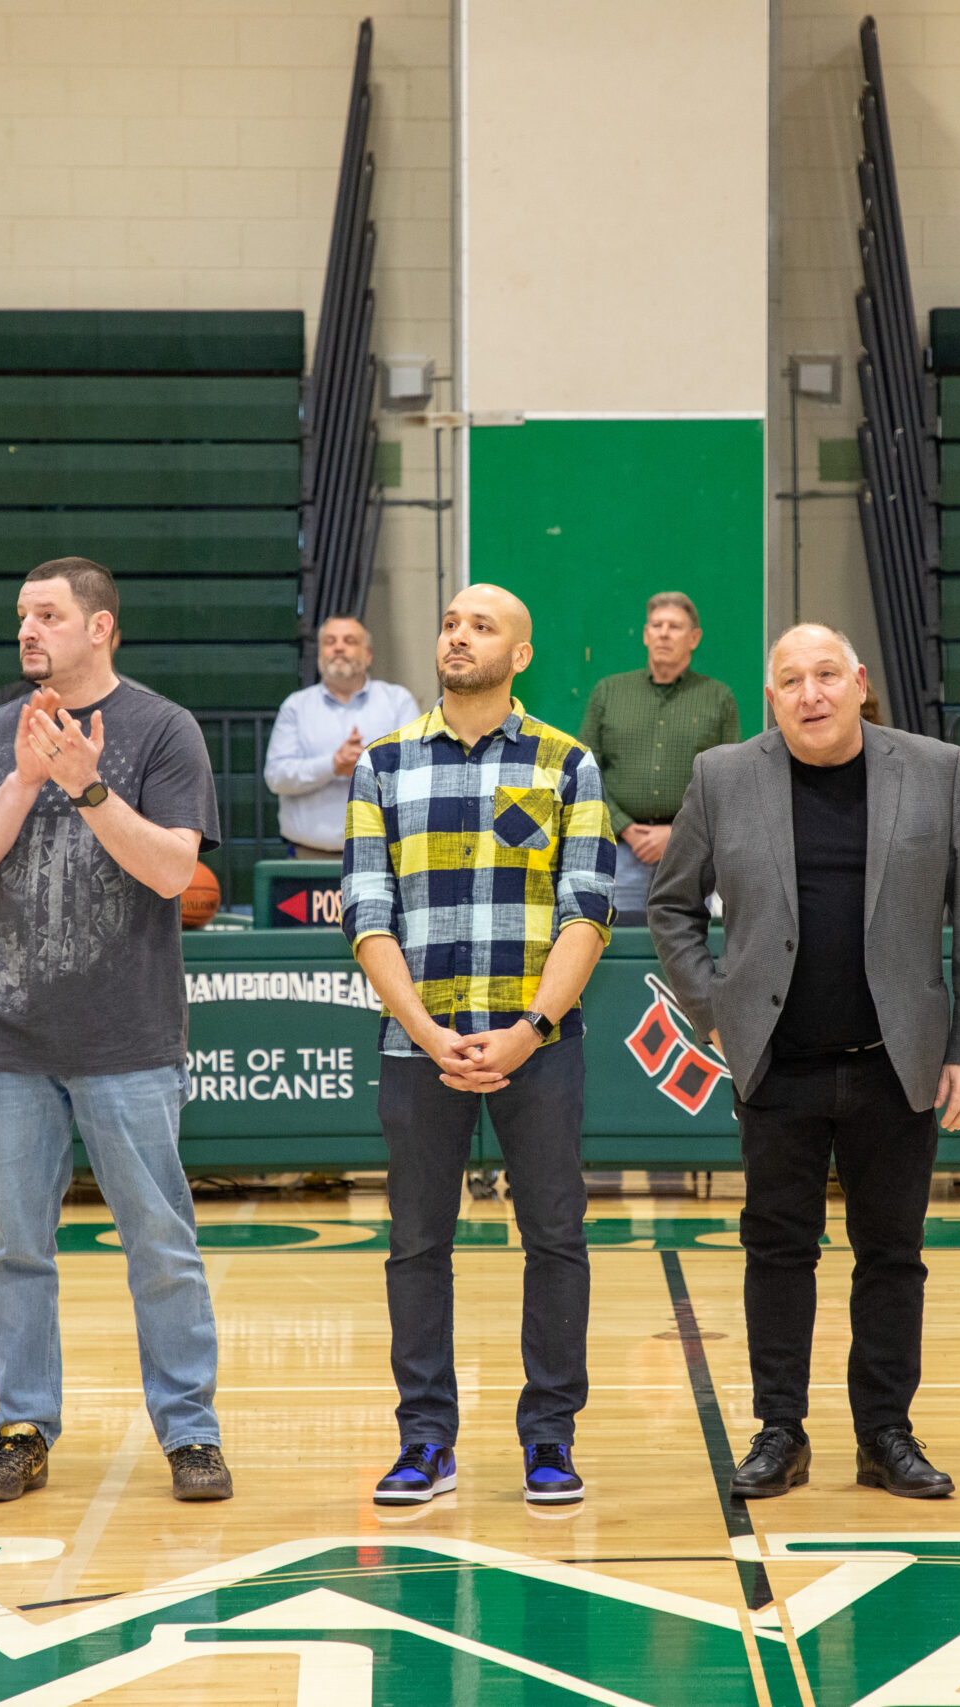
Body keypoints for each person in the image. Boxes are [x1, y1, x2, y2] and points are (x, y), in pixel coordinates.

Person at [650, 624, 960, 1501]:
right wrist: (717, 1008)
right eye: (790, 680)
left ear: (858, 681)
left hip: (897, 1061)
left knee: (893, 1255)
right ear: (770, 696)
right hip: (780, 1063)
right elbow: (671, 907)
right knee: (777, 1252)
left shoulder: (936, 768)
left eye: (825, 676)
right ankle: (780, 1429)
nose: (810, 694)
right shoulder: (722, 777)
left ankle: (886, 1433)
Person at [0, 557, 232, 1505]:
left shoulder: (162, 730)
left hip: (128, 1038)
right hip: (10, 1042)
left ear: (99, 627)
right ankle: (21, 1428)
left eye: (49, 614)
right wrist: (22, 782)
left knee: (161, 1244)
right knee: (14, 1248)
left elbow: (177, 874)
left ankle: (190, 1431)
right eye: (22, 614)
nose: (29, 630)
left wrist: (93, 791)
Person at [342, 583, 616, 1507]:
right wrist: (422, 1030)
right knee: (417, 1243)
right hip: (419, 1047)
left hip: (539, 1043)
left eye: (482, 625)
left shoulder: (566, 764)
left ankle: (550, 1440)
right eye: (451, 622)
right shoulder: (381, 764)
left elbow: (587, 911)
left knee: (555, 1237)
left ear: (521, 653)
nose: (458, 635)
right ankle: (425, 1440)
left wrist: (530, 1029)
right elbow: (366, 911)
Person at [578, 592, 741, 924]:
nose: (664, 633)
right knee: (615, 941)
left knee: (686, 942)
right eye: (657, 625)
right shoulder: (608, 691)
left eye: (675, 626)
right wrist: (625, 827)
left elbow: (729, 781)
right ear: (645, 635)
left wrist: (675, 831)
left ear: (694, 638)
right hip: (620, 848)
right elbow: (585, 772)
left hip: (688, 850)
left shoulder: (719, 697)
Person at [263, 615, 420, 857]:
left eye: (349, 640)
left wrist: (367, 766)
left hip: (383, 855)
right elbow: (276, 777)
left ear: (367, 655)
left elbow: (416, 773)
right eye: (329, 641)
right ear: (319, 655)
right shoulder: (296, 707)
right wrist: (333, 764)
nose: (338, 647)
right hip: (308, 858)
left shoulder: (398, 702)